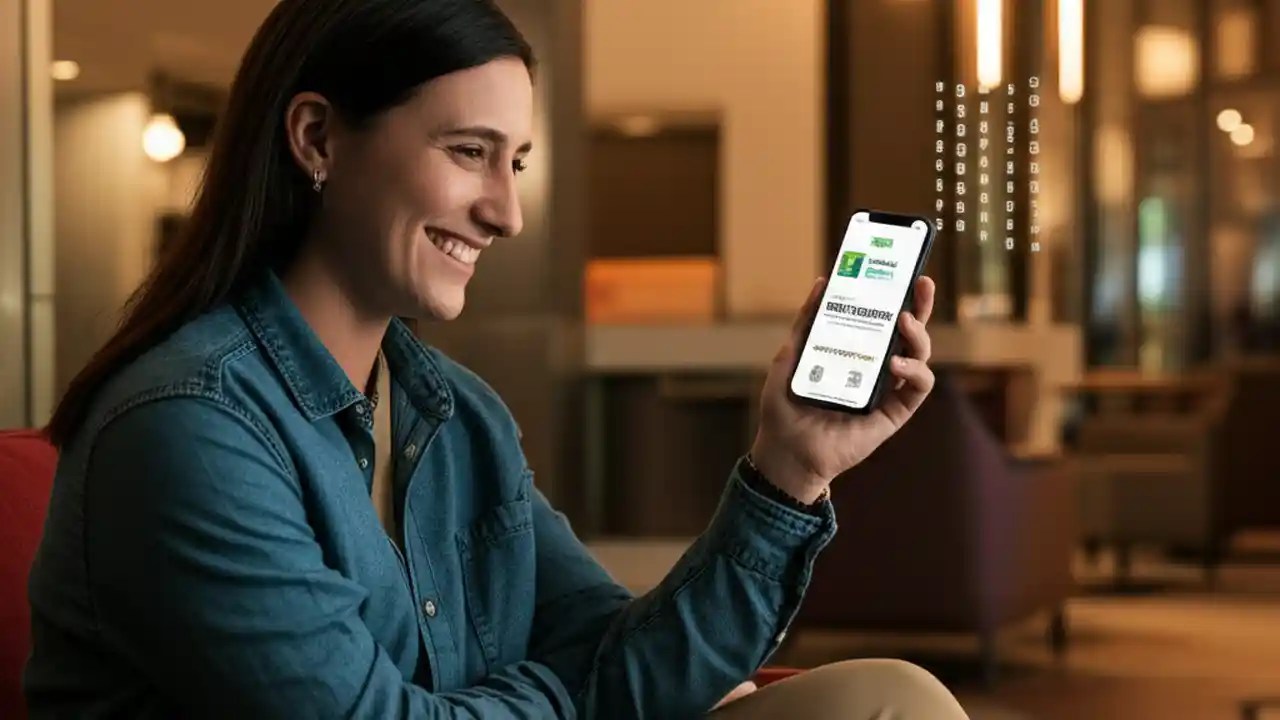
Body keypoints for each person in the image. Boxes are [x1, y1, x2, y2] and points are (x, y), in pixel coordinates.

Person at [24, 0, 967, 718]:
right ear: (317, 139)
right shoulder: (190, 428)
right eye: (468, 151)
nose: (506, 214)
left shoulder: (455, 414)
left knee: (891, 696)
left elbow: (624, 665)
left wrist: (789, 470)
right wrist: (568, 694)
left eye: (513, 162)